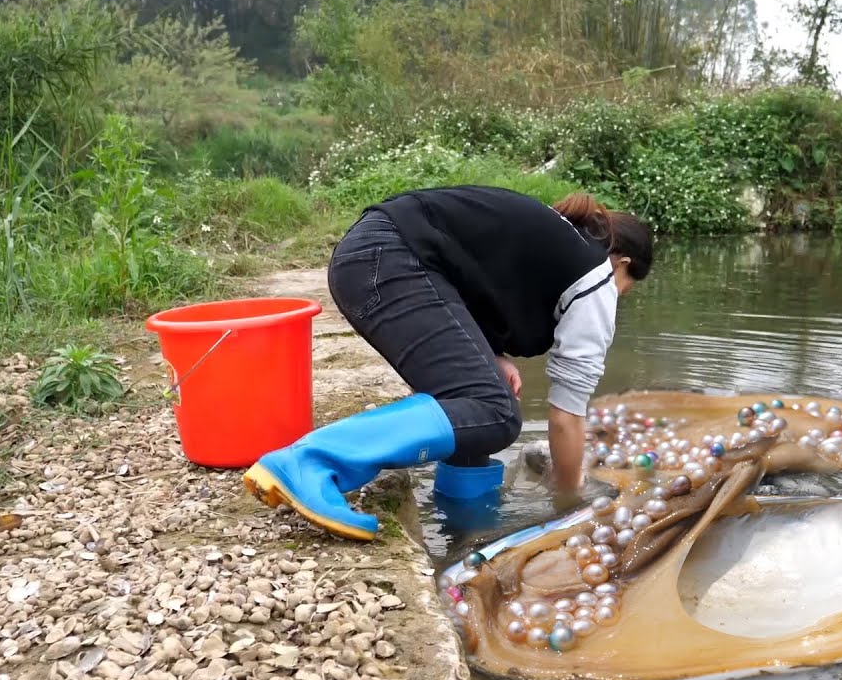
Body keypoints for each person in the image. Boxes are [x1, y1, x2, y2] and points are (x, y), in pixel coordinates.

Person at [241, 184, 653, 541]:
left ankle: (465, 531)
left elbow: (468, 277)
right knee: (495, 411)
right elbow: (566, 418)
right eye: (627, 289)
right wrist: (568, 500)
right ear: (623, 263)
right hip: (392, 260)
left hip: (370, 257)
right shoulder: (597, 277)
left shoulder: (560, 244)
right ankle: (311, 461)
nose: (619, 297)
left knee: (475, 404)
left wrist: (493, 356)